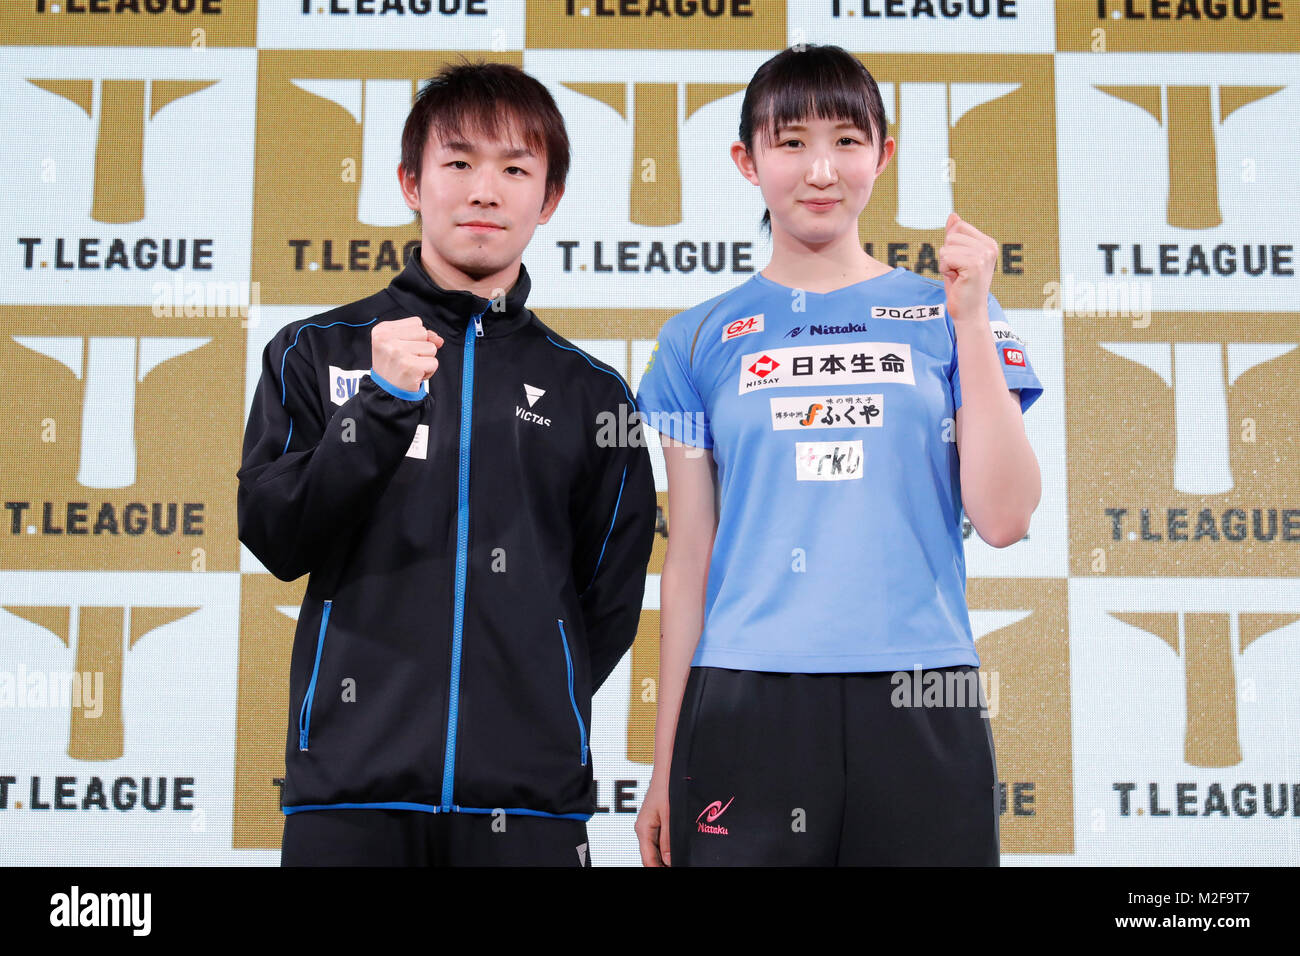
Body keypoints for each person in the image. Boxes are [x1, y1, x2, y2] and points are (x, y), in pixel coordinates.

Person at [633, 44, 1044, 866]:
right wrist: (665, 761)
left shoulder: (952, 311)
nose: (821, 168)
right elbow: (690, 562)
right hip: (744, 699)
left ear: (883, 156)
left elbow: (1004, 518)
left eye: (847, 141)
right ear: (747, 161)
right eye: (790, 143)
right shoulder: (696, 338)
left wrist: (969, 324)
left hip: (921, 689)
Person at [237, 60, 656, 866]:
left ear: (550, 198)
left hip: (528, 806)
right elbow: (276, 534)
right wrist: (383, 405)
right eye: (458, 162)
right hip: (351, 796)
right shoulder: (315, 351)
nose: (484, 190)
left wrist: (529, 702)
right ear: (410, 182)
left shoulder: (589, 391)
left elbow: (605, 602)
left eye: (515, 168)